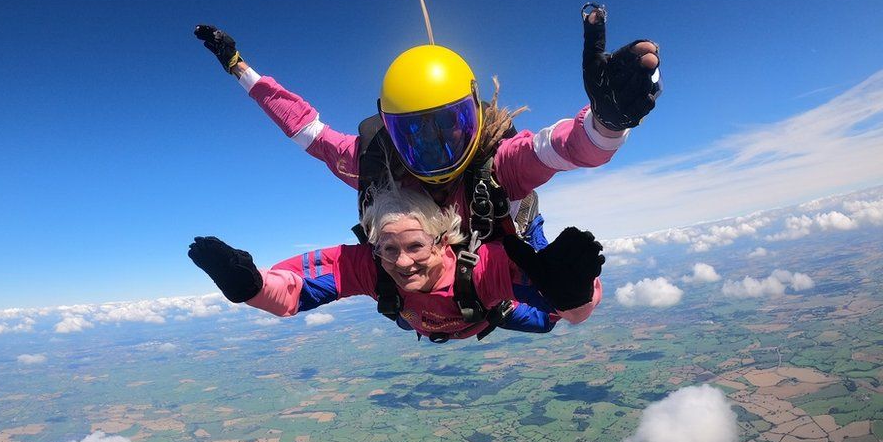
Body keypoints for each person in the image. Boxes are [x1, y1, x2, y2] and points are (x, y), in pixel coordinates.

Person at [193, 5, 661, 247]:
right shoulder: (376, 164)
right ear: (391, 131)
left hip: (505, 255)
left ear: (475, 115)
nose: (436, 144)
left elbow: (570, 147)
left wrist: (607, 122)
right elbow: (304, 127)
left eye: (449, 125)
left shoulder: (500, 165)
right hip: (437, 289)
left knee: (562, 302)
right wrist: (239, 68)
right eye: (415, 133)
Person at [188, 183, 606, 342]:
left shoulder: (484, 265)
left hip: (487, 310)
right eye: (388, 248)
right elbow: (294, 292)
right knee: (405, 310)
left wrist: (575, 293)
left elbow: (566, 313)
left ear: (444, 242)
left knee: (546, 321)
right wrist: (250, 287)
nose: (402, 263)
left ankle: (526, 224)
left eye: (416, 247)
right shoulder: (369, 264)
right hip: (418, 318)